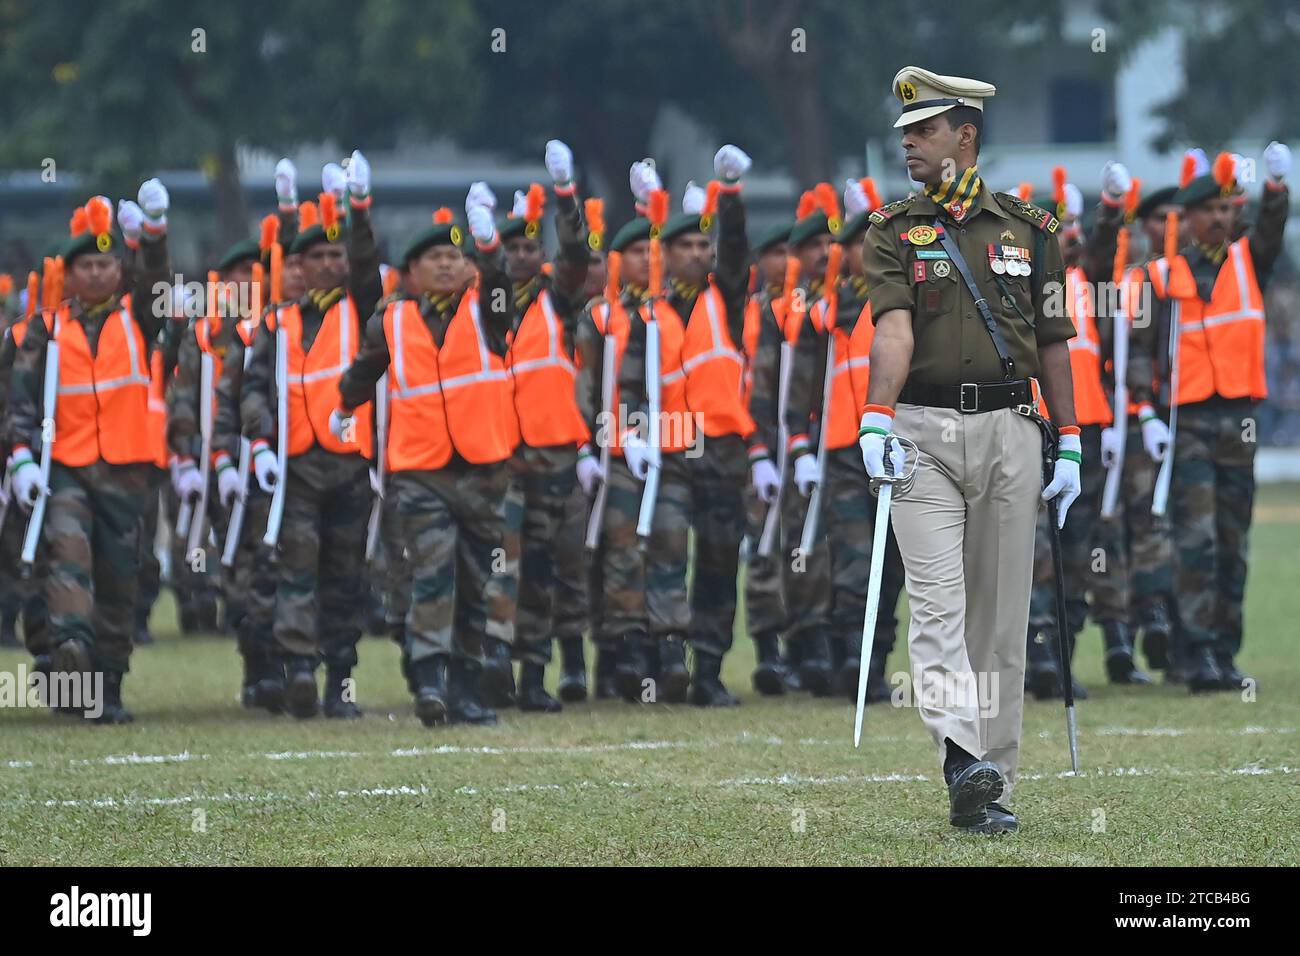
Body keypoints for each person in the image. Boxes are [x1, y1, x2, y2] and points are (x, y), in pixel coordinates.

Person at [859, 67, 1079, 834]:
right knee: (937, 605)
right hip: (920, 431)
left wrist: (1074, 442)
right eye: (904, 133)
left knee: (999, 620)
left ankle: (993, 782)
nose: (910, 144)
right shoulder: (889, 230)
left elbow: (1054, 341)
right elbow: (894, 328)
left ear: (966, 136)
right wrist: (874, 419)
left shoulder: (1033, 231)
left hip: (1013, 430)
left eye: (923, 130)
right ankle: (960, 757)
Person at [336, 187, 516, 727]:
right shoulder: (391, 319)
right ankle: (431, 679)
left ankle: (464, 685)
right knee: (432, 572)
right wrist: (344, 404)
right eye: (434, 258)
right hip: (419, 470)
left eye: (455, 257)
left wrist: (490, 246)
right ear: (411, 271)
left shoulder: (487, 311)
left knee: (475, 578)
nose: (447, 265)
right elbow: (365, 369)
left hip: (482, 468)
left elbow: (503, 287)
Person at [6, 184, 174, 722]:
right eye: (87, 266)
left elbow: (156, 286)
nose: (98, 274)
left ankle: (110, 683)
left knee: (120, 576)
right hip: (69, 468)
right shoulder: (46, 329)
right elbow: (21, 399)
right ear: (70, 274)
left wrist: (154, 233)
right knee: (69, 558)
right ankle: (72, 649)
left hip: (126, 471)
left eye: (107, 264)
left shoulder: (138, 318)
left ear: (119, 271)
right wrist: (20, 458)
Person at [1133, 143, 1291, 692]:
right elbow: (1139, 349)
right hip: (1188, 419)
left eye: (1229, 209)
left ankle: (1224, 650)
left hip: (1240, 420)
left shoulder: (1251, 260)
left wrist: (1275, 188)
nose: (1222, 218)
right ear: (1190, 215)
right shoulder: (1164, 274)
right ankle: (1195, 651)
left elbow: (1270, 228)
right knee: (1194, 539)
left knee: (1233, 539)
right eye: (1211, 210)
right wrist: (1146, 412)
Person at [240, 153, 382, 719]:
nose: (329, 263)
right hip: (295, 465)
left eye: (336, 253)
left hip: (350, 462)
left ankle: (339, 679)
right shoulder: (278, 321)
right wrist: (261, 439)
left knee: (345, 574)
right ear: (298, 263)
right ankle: (298, 668)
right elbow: (251, 389)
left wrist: (358, 212)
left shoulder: (363, 309)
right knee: (296, 568)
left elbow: (370, 267)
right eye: (317, 255)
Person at [495, 141, 592, 712]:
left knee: (545, 570)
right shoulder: (485, 304)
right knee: (501, 570)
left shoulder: (557, 301)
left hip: (554, 457)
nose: (523, 256)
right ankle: (492, 671)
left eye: (532, 247)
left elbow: (577, 253)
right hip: (503, 458)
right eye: (512, 247)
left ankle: (533, 677)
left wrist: (565, 194)